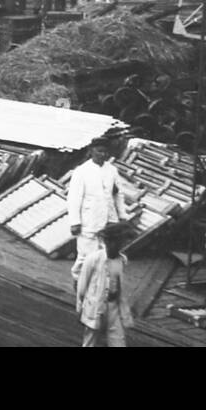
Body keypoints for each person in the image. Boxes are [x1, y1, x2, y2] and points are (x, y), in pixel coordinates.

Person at [67, 136, 123, 280]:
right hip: (89, 219)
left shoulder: (112, 170)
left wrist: (122, 216)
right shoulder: (82, 171)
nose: (103, 155)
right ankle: (78, 281)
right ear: (91, 151)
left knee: (108, 254)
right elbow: (74, 198)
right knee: (86, 256)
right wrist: (75, 222)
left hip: (109, 219)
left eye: (105, 152)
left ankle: (105, 285)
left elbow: (118, 194)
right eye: (99, 151)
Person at [76, 224, 135, 347]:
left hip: (113, 306)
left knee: (118, 340)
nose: (117, 246)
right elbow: (82, 287)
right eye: (115, 243)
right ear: (107, 242)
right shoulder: (93, 259)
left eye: (121, 243)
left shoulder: (122, 260)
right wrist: (80, 307)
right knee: (90, 340)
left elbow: (120, 287)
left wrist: (124, 310)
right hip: (95, 306)